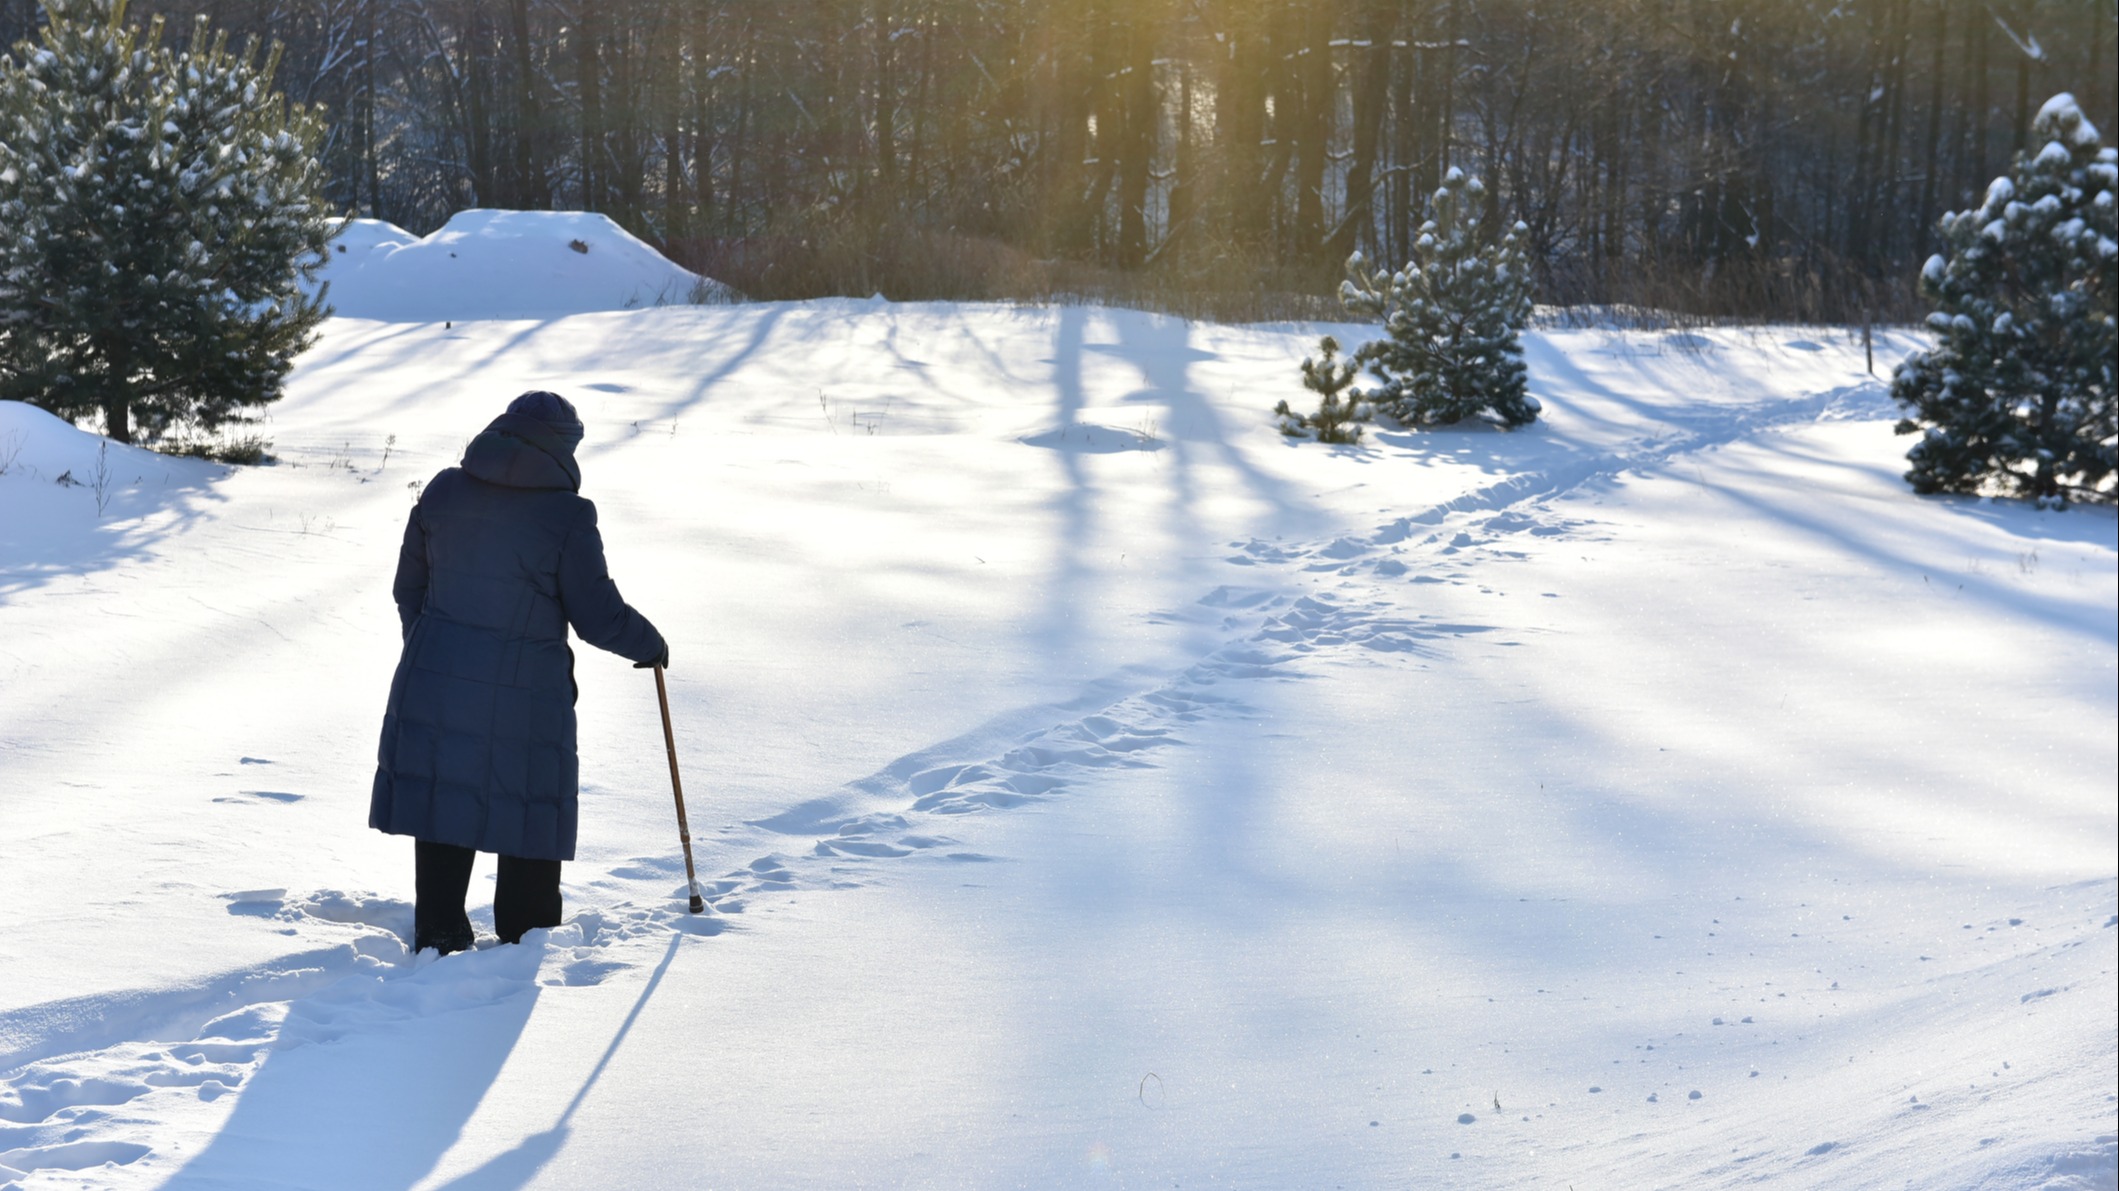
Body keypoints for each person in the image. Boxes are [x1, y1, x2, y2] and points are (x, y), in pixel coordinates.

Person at [370, 390, 667, 954]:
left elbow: (409, 588)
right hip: (527, 695)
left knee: (445, 795)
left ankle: (439, 935)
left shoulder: (443, 491)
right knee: (529, 802)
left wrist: (431, 647)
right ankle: (525, 941)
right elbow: (597, 615)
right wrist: (649, 643)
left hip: (435, 681)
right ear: (561, 447)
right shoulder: (567, 515)